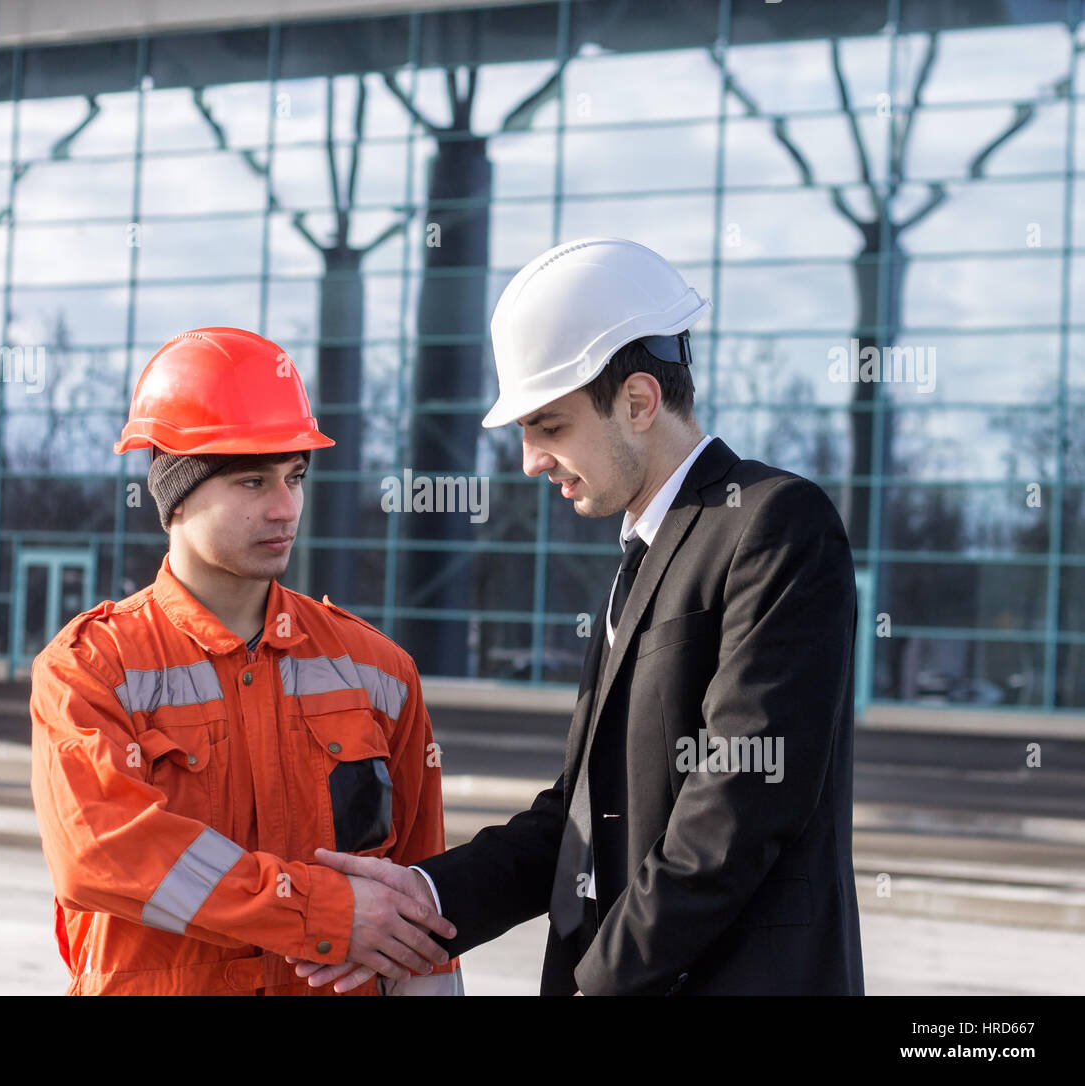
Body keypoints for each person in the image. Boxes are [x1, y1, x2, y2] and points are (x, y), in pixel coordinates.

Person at [294, 237, 864, 996]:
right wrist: (423, 900)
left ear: (637, 402)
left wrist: (594, 985)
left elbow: (733, 813)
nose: (530, 460)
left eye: (550, 427)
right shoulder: (643, 559)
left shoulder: (773, 525)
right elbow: (579, 814)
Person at [29, 326, 461, 995]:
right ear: (177, 497)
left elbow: (420, 912)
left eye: (295, 478)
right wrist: (322, 914)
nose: (286, 508)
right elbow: (102, 853)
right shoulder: (91, 668)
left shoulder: (379, 670)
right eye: (252, 481)